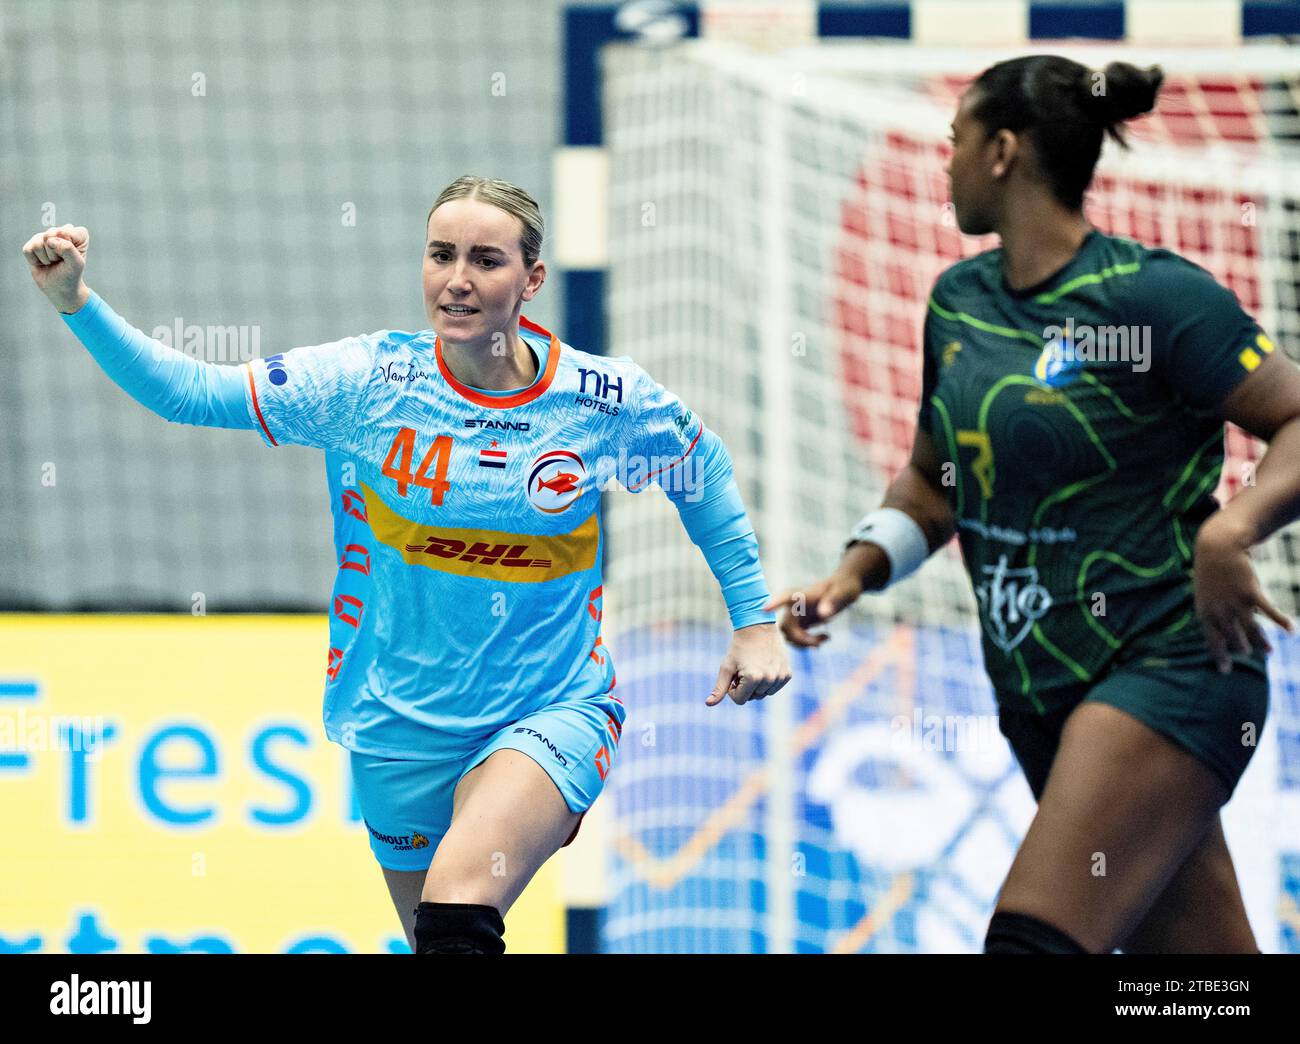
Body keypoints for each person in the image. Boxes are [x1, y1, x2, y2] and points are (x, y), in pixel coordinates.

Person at [24, 175, 791, 954]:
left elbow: (702, 470)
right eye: (440, 254)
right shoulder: (364, 383)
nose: (457, 278)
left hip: (550, 707)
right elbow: (190, 392)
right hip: (394, 724)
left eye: (486, 260)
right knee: (441, 939)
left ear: (531, 281)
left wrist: (754, 621)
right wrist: (75, 302)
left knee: (458, 905)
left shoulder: (601, 401)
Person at [767, 56, 1300, 954]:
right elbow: (935, 485)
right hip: (1036, 685)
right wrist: (852, 574)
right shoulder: (958, 303)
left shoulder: (1153, 297)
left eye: (957, 143)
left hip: (1169, 663)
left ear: (1004, 151)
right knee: (1205, 984)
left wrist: (1233, 527)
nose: (947, 166)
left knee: (1031, 942)